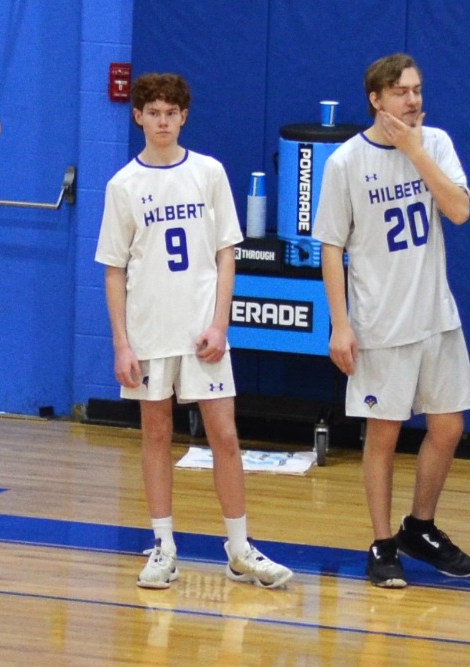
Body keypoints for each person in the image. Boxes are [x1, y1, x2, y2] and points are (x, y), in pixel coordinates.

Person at [96, 72, 292, 590]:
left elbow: (227, 252)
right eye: (152, 112)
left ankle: (240, 548)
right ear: (138, 116)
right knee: (156, 435)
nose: (162, 121)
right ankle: (163, 546)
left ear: (184, 116)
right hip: (148, 332)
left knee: (225, 436)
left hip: (202, 333)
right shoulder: (123, 186)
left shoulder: (208, 172)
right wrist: (121, 343)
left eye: (171, 112)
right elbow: (114, 270)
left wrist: (220, 322)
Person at [316, 52, 470, 589]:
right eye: (402, 92)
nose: (414, 101)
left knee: (448, 426)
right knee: (382, 435)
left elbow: (459, 210)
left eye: (418, 90)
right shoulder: (344, 162)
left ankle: (420, 526)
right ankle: (382, 543)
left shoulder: (436, 143)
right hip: (380, 321)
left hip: (437, 314)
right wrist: (340, 324)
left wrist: (415, 150)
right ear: (376, 99)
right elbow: (331, 248)